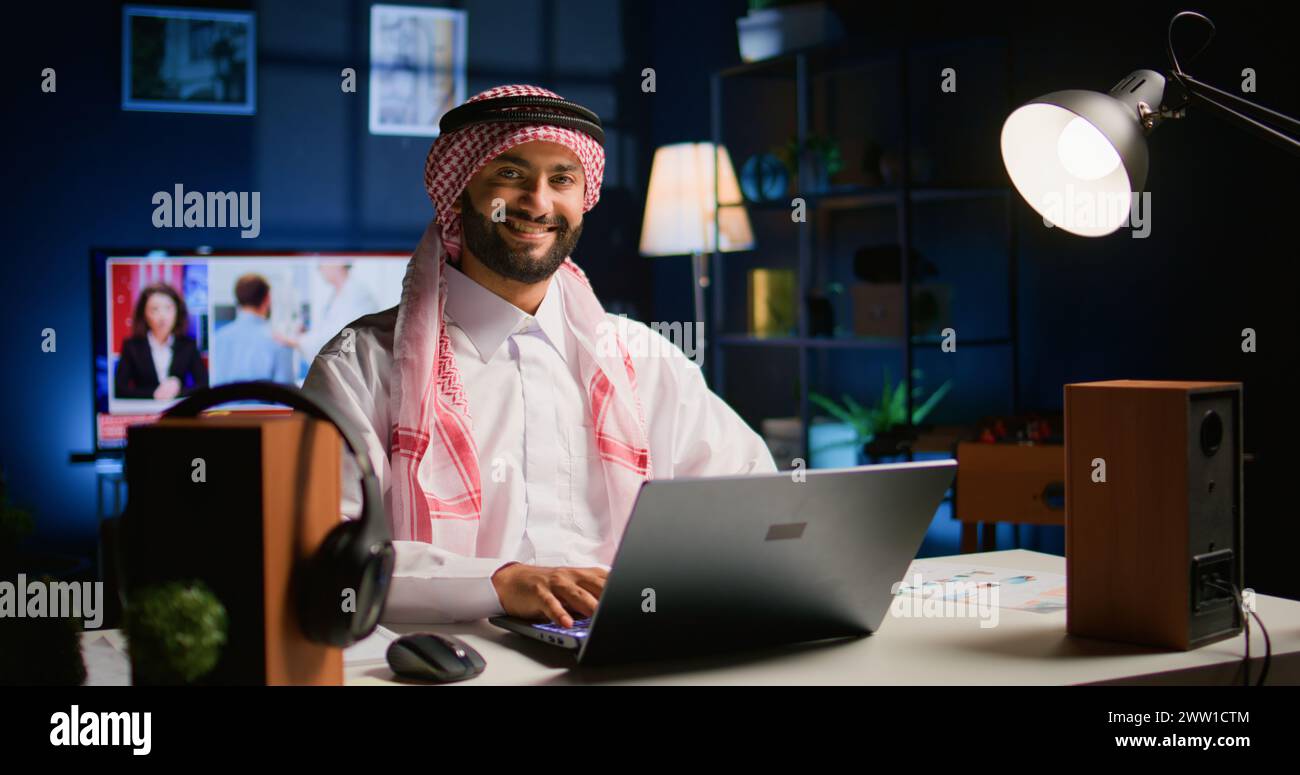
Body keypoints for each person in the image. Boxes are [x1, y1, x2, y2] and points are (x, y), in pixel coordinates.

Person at [304, 84, 776, 627]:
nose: (538, 202)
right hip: (452, 665)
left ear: (584, 197)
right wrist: (499, 583)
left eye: (562, 179)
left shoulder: (644, 358)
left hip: (626, 653)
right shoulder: (359, 365)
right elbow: (326, 546)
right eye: (510, 174)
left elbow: (750, 496)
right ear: (457, 191)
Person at [114, 282, 208, 400]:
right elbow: (119, 389)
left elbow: (204, 386)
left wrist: (177, 391)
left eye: (168, 308)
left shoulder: (188, 345)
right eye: (155, 309)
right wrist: (154, 394)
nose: (162, 316)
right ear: (144, 314)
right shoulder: (132, 346)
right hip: (144, 413)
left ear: (177, 311)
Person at [276, 262, 378, 362]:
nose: (319, 267)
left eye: (323, 261)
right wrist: (306, 337)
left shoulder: (357, 294)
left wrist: (298, 342)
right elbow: (327, 333)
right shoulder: (336, 296)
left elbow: (338, 340)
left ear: (339, 262)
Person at [211, 273, 294, 384]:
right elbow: (287, 395)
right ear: (267, 299)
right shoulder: (279, 341)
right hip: (264, 401)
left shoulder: (218, 338)